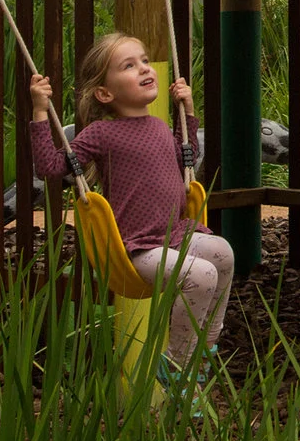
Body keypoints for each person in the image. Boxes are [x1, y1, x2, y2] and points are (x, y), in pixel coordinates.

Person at [27, 32, 234, 379]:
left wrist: (189, 110)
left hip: (175, 234)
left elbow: (188, 158)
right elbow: (50, 166)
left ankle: (206, 345)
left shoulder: (159, 126)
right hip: (137, 249)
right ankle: (178, 364)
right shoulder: (101, 134)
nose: (143, 68)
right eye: (128, 65)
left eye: (143, 60)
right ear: (105, 93)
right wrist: (38, 110)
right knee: (201, 274)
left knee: (223, 252)